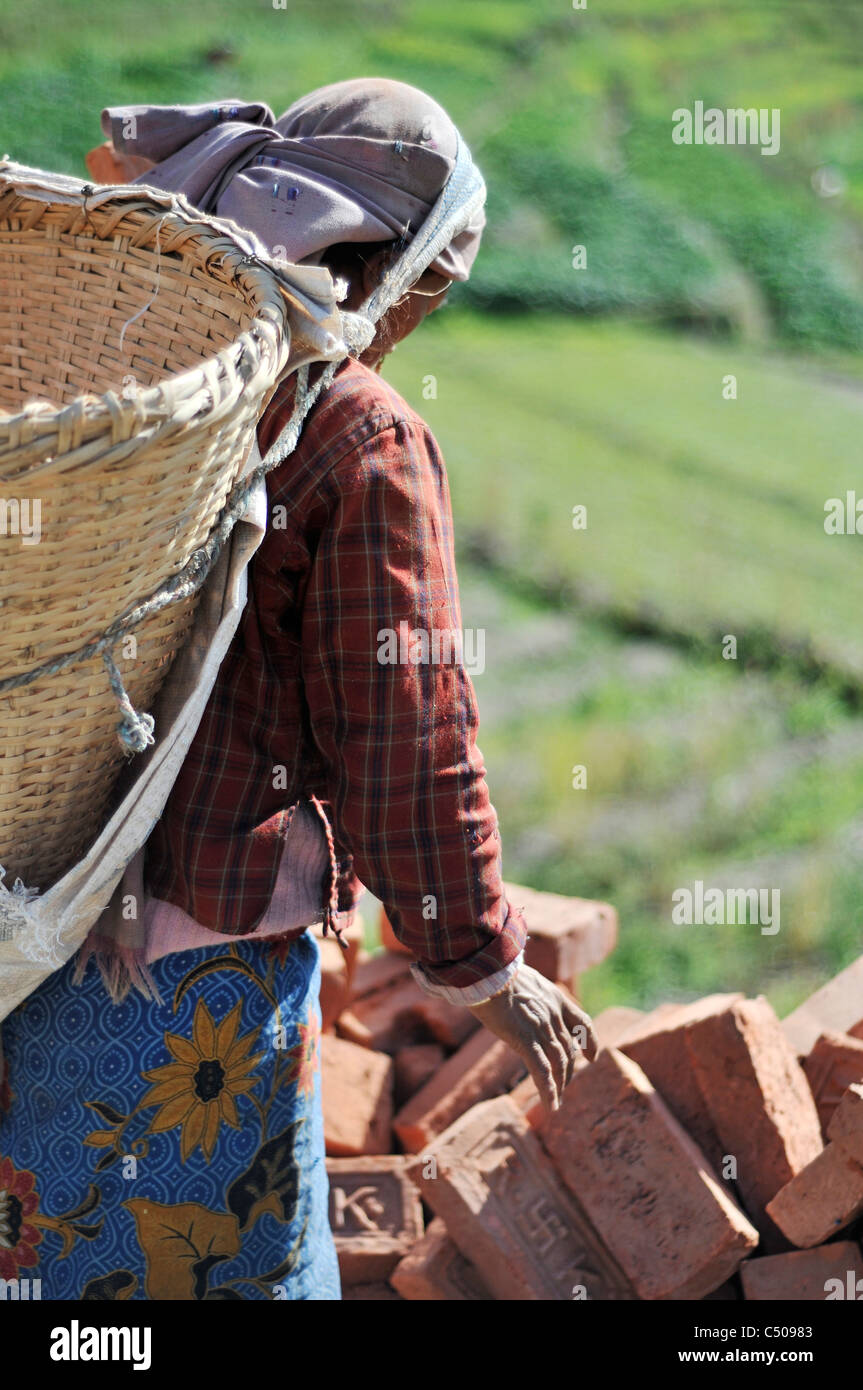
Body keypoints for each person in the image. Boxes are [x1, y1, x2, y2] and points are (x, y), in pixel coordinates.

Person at [0, 79, 596, 1301]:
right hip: (188, 970)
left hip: (31, 900)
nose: (426, 318)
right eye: (436, 285)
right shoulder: (359, 436)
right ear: (392, 264)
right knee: (194, 1269)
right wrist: (479, 960)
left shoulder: (140, 374)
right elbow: (406, 736)